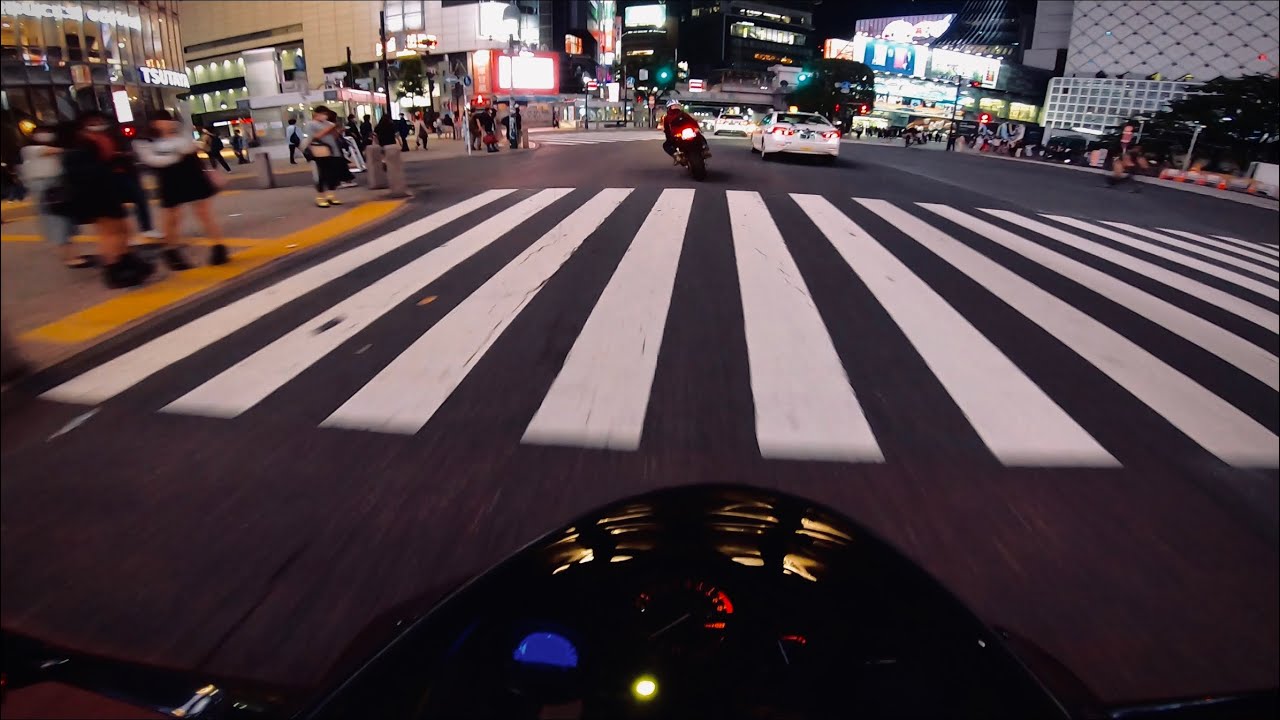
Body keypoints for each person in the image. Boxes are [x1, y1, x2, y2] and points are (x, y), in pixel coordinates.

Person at [64, 110, 154, 288]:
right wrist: (111, 166)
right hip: (96, 196)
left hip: (108, 192)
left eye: (99, 121)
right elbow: (87, 173)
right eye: (93, 122)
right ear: (82, 128)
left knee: (122, 230)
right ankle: (113, 270)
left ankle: (126, 262)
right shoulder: (81, 147)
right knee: (109, 234)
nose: (98, 125)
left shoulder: (101, 140)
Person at [135, 110, 228, 270]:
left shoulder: (180, 131)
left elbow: (189, 148)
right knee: (172, 217)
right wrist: (176, 154)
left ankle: (219, 248)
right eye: (161, 120)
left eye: (167, 120)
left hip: (192, 174)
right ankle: (171, 252)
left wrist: (173, 144)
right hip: (168, 179)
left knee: (204, 213)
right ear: (153, 123)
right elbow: (153, 160)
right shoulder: (143, 140)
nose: (165, 123)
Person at [20, 123, 89, 268]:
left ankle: (73, 254)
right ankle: (69, 257)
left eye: (48, 132)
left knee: (66, 221)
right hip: (46, 189)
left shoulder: (52, 151)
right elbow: (50, 151)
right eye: (41, 132)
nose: (46, 135)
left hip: (57, 186)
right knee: (57, 221)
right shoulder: (29, 149)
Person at [302, 105, 345, 208]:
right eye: (323, 114)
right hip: (320, 152)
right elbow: (315, 137)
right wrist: (329, 129)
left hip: (333, 151)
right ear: (316, 114)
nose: (325, 116)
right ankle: (320, 197)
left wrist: (337, 131)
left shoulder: (329, 123)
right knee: (322, 174)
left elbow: (334, 136)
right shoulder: (311, 124)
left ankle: (331, 195)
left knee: (333, 175)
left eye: (326, 114)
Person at [661, 99, 708, 165]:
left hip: (684, 134)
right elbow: (667, 130)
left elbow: (693, 122)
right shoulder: (674, 116)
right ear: (669, 107)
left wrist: (697, 129)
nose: (676, 107)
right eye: (674, 105)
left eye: (677, 105)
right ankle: (676, 155)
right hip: (678, 136)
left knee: (700, 136)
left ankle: (704, 148)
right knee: (666, 145)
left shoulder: (681, 115)